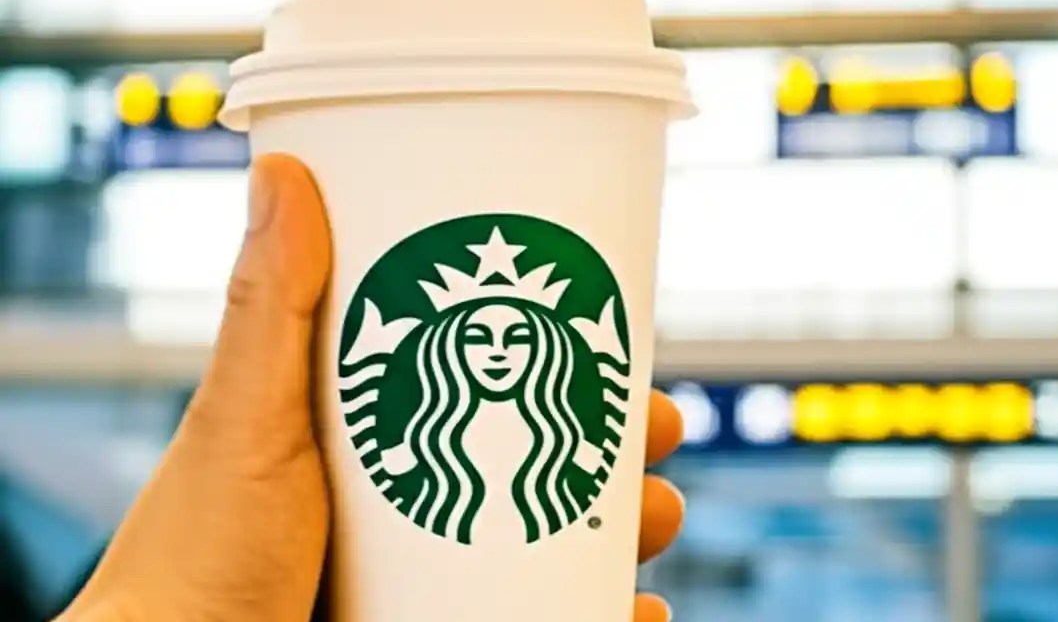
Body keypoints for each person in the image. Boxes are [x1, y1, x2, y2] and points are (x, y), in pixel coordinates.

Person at [55, 155, 686, 621]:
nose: (497, 353)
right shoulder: (423, 451)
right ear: (444, 353)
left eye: (518, 340)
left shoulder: (559, 451)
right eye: (476, 338)